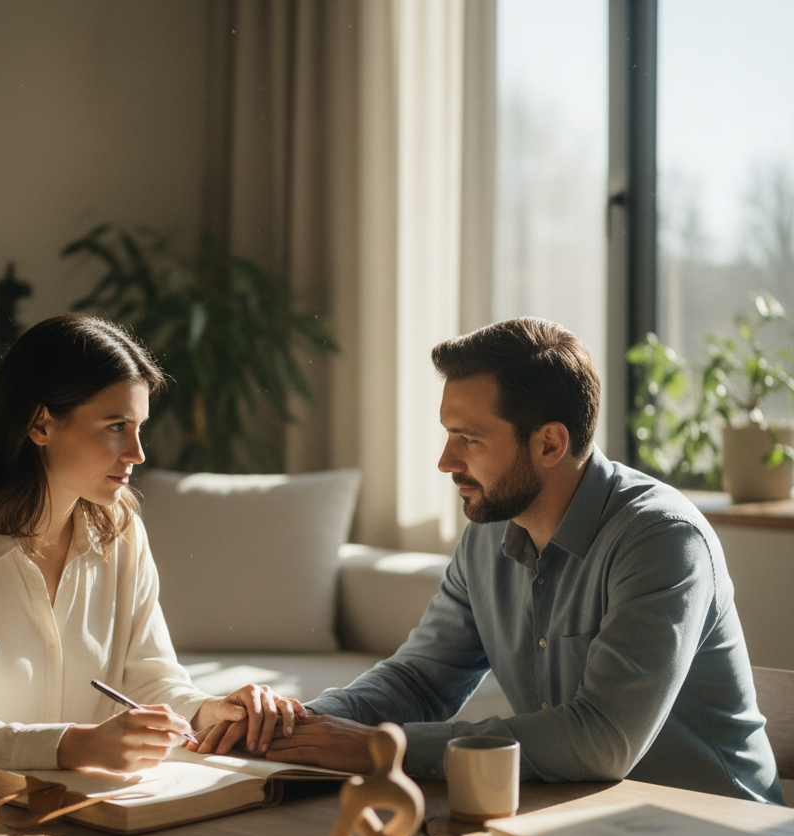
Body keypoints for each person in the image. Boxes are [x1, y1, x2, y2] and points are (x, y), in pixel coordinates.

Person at [207, 317, 781, 803]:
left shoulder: (662, 540)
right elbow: (420, 680)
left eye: (469, 439)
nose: (445, 462)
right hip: (580, 820)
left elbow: (602, 739)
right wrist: (294, 724)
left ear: (550, 444)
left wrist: (385, 749)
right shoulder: (490, 532)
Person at [0, 314, 302, 786]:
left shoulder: (122, 532)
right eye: (116, 425)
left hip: (73, 817)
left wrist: (214, 711)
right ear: (39, 424)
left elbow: (150, 682)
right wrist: (79, 745)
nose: (137, 453)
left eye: (139, 427)